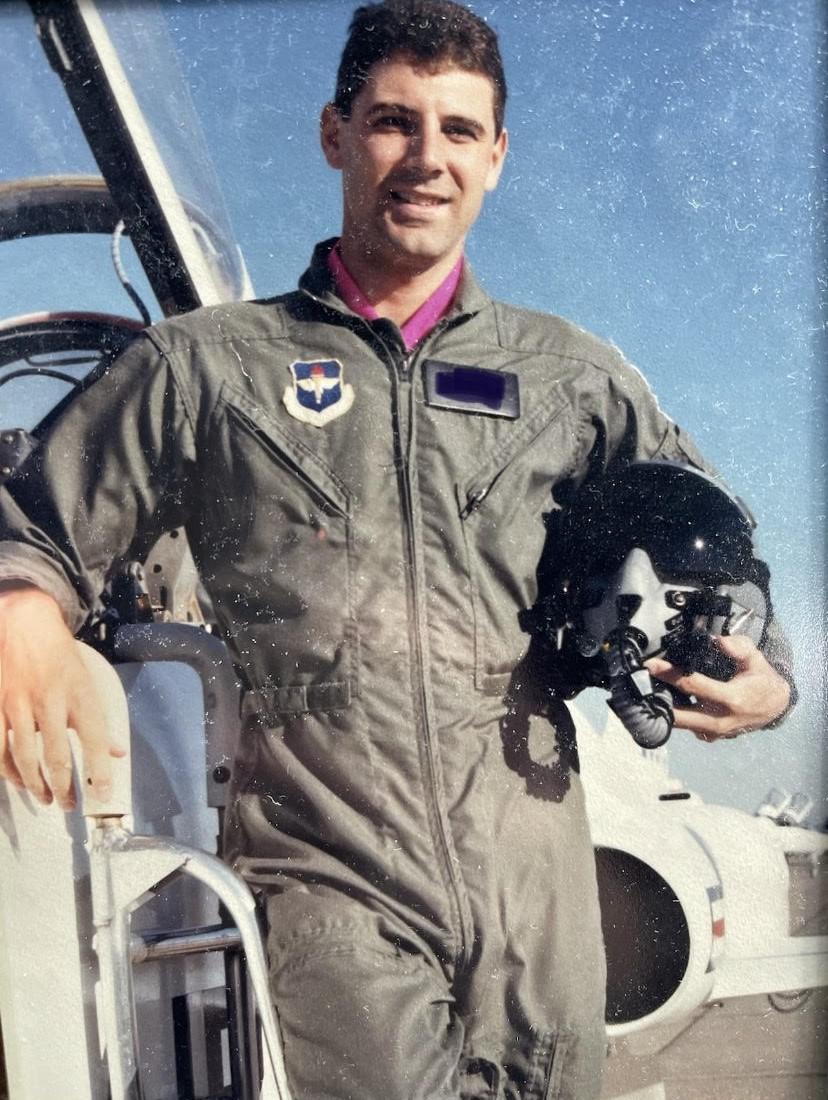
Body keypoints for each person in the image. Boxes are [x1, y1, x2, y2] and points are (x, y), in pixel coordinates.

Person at [0, 2, 793, 1097]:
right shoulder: (209, 368)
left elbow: (712, 548)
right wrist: (23, 607)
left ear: (498, 156)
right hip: (330, 877)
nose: (428, 159)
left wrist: (763, 672)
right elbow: (38, 518)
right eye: (393, 123)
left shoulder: (573, 377)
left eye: (460, 131)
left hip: (536, 886)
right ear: (335, 134)